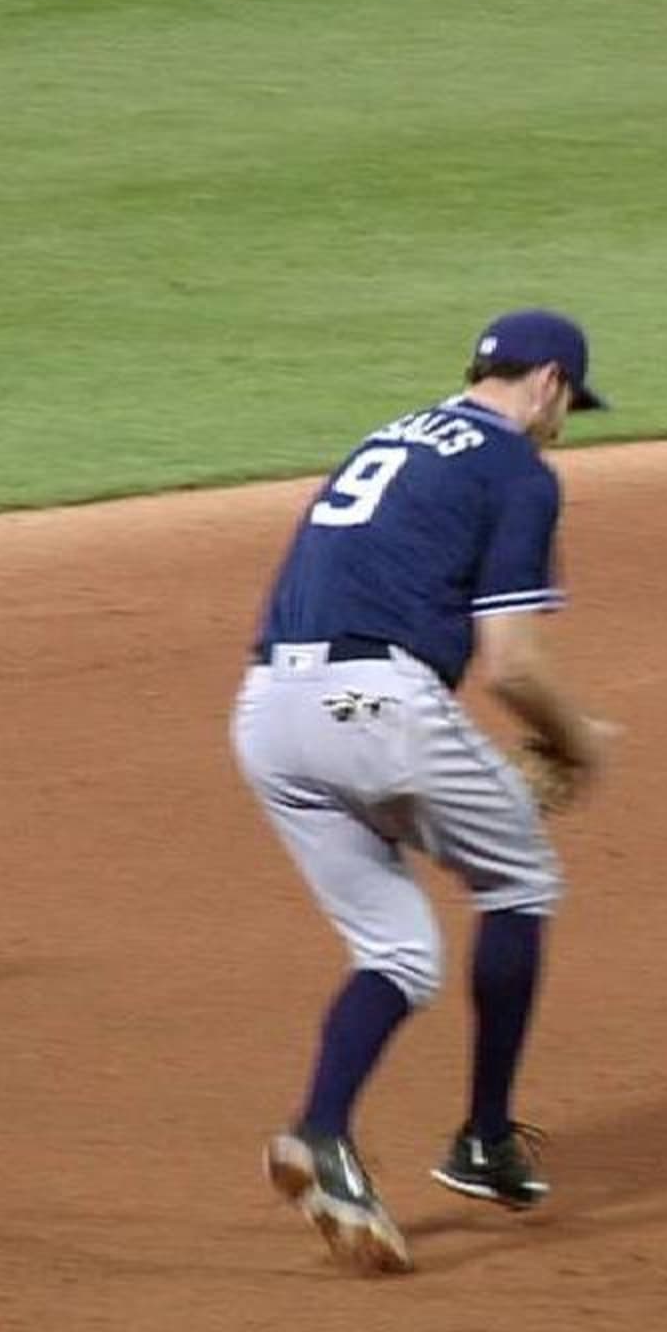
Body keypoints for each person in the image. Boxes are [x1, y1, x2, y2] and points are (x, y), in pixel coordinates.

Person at [232, 309, 614, 1273]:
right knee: (518, 879)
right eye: (569, 406)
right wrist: (578, 743)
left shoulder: (393, 435)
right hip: (376, 707)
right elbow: (514, 667)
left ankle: (322, 1130)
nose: (562, 424)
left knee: (399, 953)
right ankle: (485, 1140)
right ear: (552, 385)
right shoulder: (517, 471)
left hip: (268, 712)